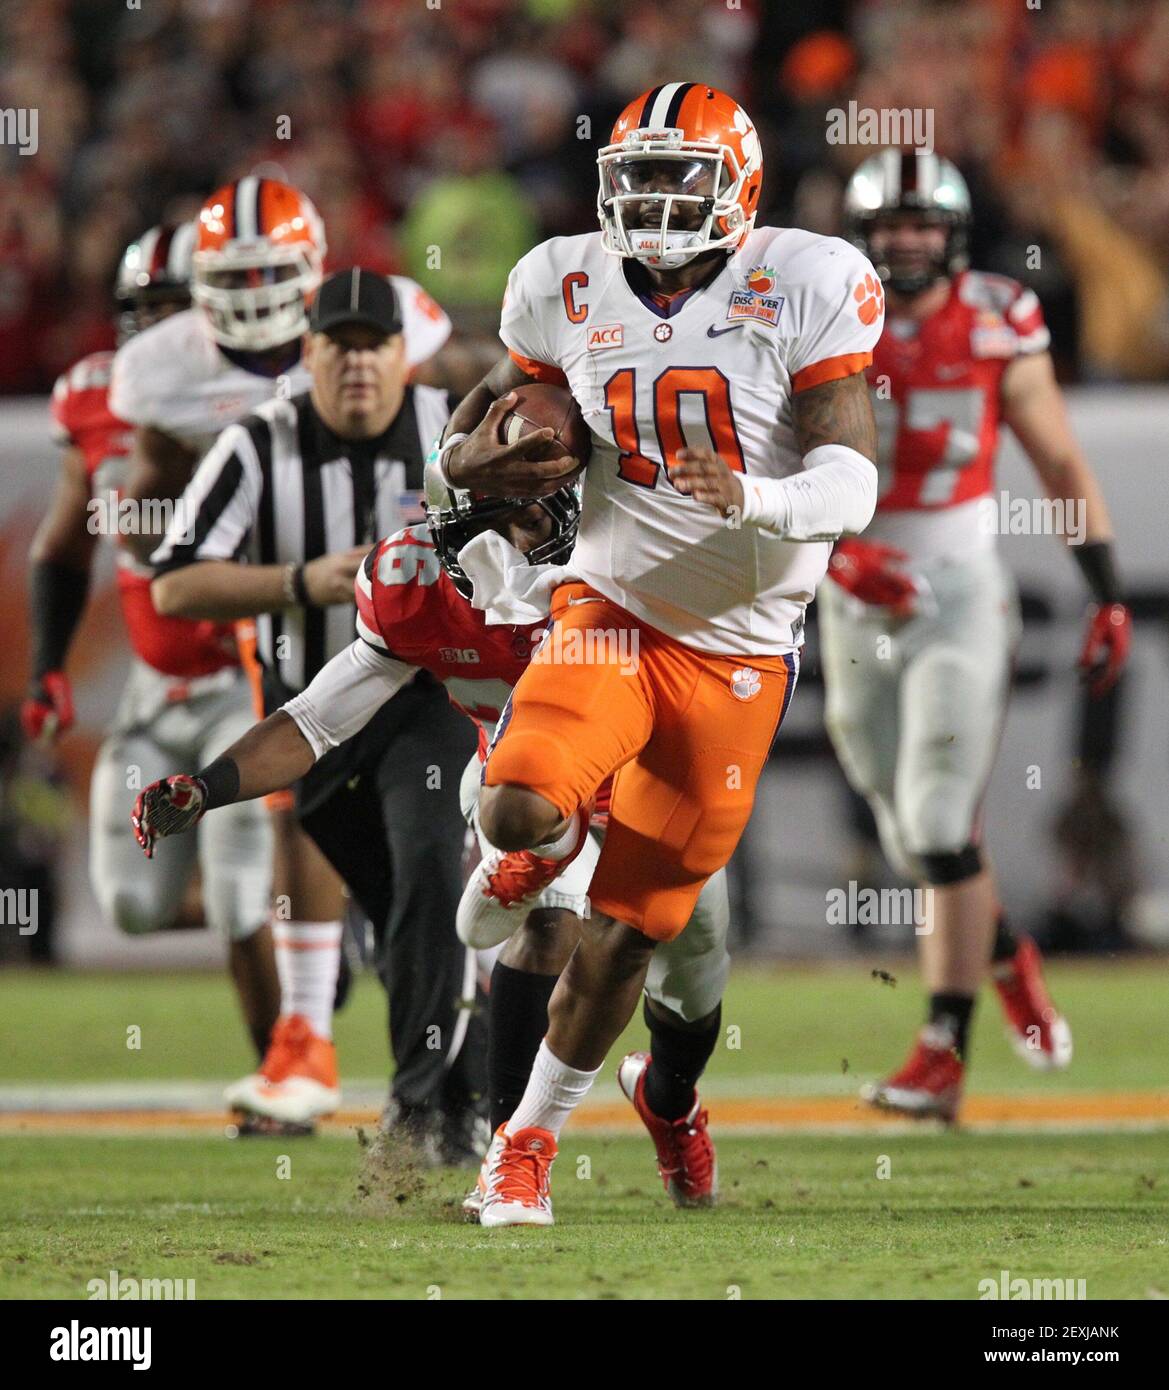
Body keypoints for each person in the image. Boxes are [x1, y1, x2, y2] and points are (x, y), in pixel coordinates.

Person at [431, 81, 884, 1225]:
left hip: (735, 651)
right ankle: (545, 853)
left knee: (631, 935)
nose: (651, 202)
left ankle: (534, 1135)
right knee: (517, 806)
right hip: (610, 612)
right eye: (634, 179)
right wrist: (468, 472)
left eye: (678, 179)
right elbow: (482, 426)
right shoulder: (561, 280)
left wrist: (756, 496)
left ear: (737, 183)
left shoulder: (806, 278)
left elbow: (853, 481)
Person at [131, 451, 733, 1218]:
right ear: (449, 530)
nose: (518, 536)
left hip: (651, 781)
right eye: (497, 516)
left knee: (692, 981)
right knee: (548, 920)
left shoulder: (626, 567)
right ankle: (508, 1149)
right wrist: (208, 786)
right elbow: (315, 719)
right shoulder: (413, 587)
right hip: (518, 779)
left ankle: (669, 1099)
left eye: (534, 511)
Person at [109, 177, 453, 1136]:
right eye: (238, 275)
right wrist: (278, 572)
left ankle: (435, 1082)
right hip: (288, 650)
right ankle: (321, 1027)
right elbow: (155, 541)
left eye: (369, 348)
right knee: (303, 827)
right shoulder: (211, 408)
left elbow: (472, 412)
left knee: (433, 866)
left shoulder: (428, 397)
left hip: (419, 672)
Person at [822, 150, 1132, 1121]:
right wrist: (836, 560)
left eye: (920, 225)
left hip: (956, 589)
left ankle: (940, 1048)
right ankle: (1005, 955)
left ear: (951, 235)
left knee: (933, 818)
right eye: (887, 228)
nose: (904, 242)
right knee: (900, 820)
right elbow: (778, 465)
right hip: (852, 594)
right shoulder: (829, 316)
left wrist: (1104, 590)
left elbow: (1056, 457)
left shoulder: (997, 317)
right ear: (865, 239)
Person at [22, 222, 279, 1068]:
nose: (163, 331)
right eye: (148, 311)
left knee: (243, 900)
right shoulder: (93, 396)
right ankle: (315, 922)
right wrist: (46, 670)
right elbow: (62, 549)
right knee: (131, 905)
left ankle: (284, 1073)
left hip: (248, 678)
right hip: (154, 686)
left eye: (179, 310)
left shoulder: (267, 391)